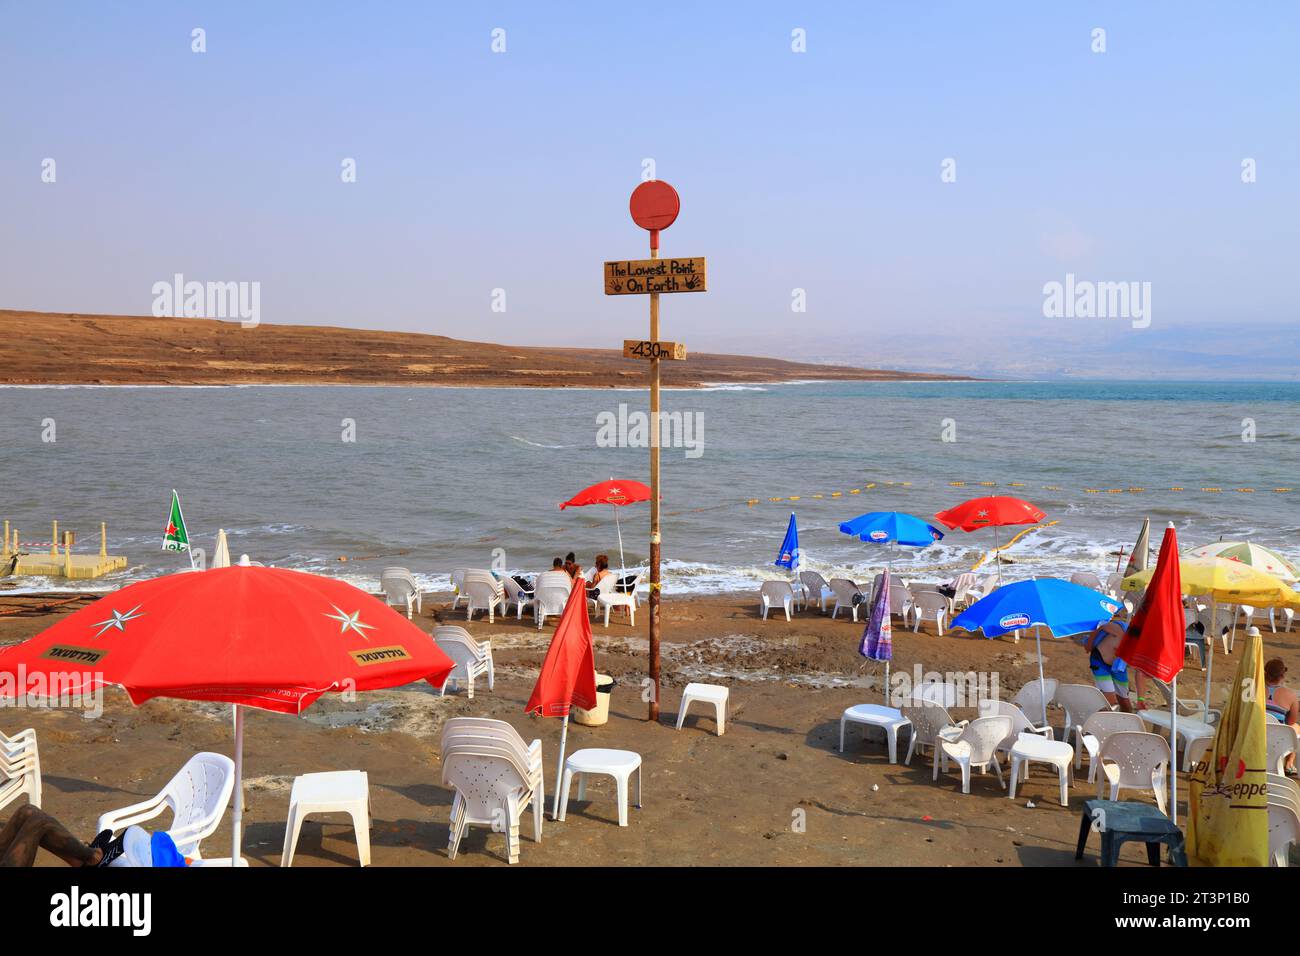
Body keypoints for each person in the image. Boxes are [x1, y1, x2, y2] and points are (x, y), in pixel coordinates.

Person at [1083, 620, 1141, 712]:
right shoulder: (1116, 629)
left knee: (1124, 701)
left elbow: (1140, 672)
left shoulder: (1142, 645)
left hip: (1118, 667)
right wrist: (1089, 645)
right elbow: (1102, 627)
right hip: (1099, 661)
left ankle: (1126, 724)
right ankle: (1099, 722)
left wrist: (1141, 699)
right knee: (1109, 699)